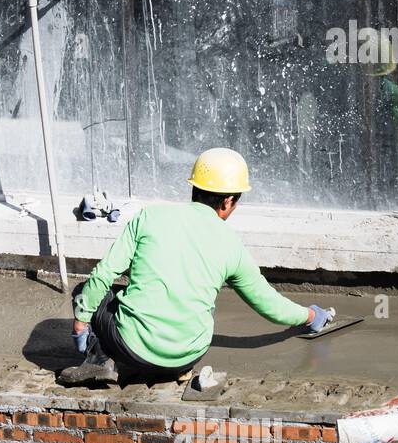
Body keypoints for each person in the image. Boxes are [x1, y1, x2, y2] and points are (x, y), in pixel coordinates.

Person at [62, 147, 332, 385]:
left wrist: (80, 325)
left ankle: (99, 358)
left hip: (129, 348)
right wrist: (310, 316)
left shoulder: (151, 217)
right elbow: (269, 304)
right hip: (186, 356)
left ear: (194, 188)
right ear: (228, 201)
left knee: (86, 291)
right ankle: (166, 371)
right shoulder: (232, 246)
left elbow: (103, 274)